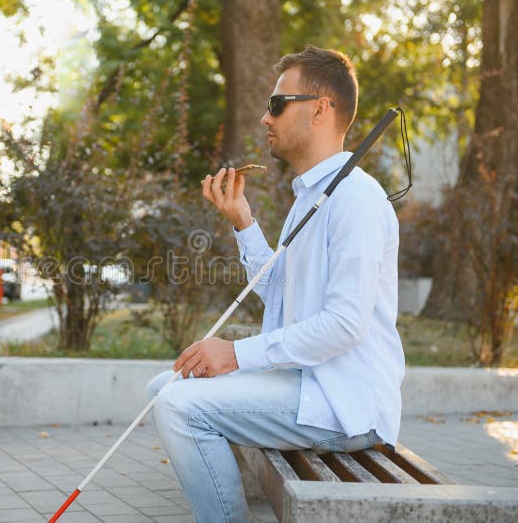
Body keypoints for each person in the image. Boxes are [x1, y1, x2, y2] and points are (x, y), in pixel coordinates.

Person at [147, 46, 405, 522]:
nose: (265, 118)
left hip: (343, 404)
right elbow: (279, 291)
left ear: (319, 109)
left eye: (277, 105)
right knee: (166, 385)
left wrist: (236, 354)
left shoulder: (357, 200)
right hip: (307, 385)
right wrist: (243, 221)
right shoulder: (310, 196)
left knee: (181, 406)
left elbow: (345, 326)